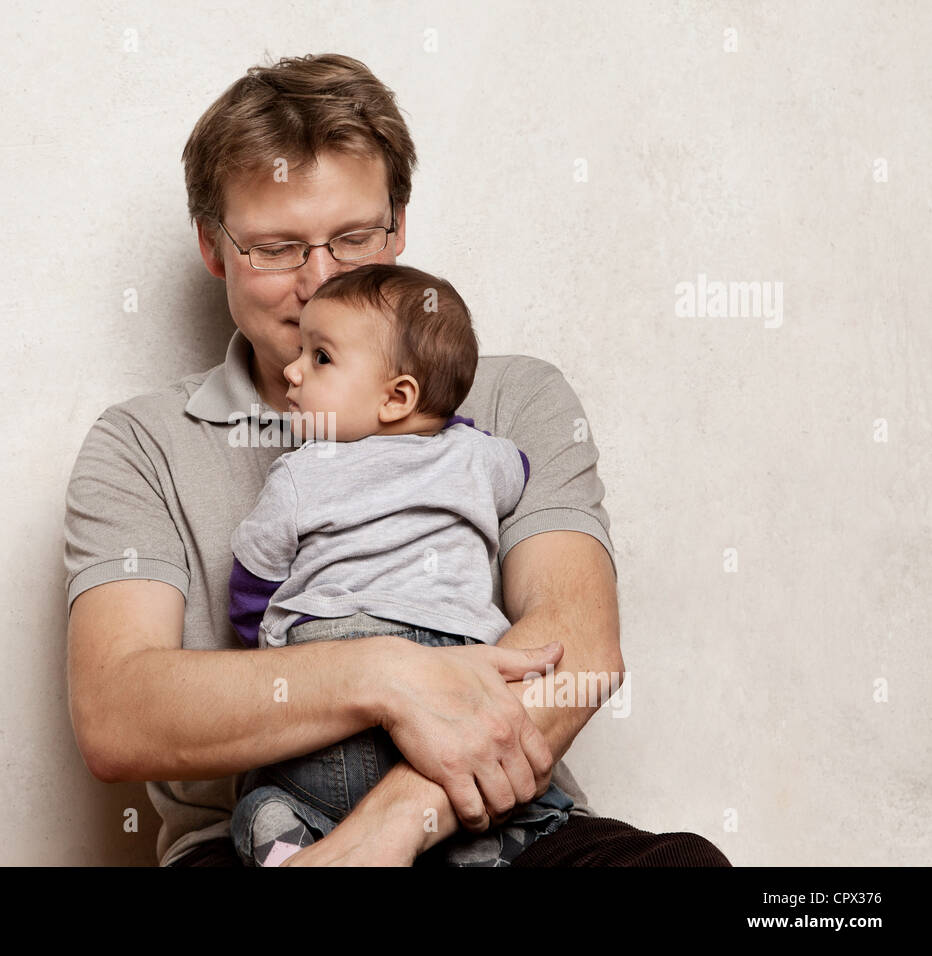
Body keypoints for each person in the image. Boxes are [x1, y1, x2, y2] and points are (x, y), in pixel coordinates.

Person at [63, 52, 731, 867]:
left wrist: (382, 835)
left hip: (496, 823)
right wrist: (384, 675)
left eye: (352, 237)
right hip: (258, 841)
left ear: (399, 224)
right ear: (213, 245)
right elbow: (119, 714)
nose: (319, 280)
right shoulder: (141, 444)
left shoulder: (516, 399)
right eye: (277, 248)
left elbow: (580, 652)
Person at [226, 262, 577, 867]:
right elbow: (519, 469)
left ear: (397, 397)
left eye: (320, 358)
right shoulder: (475, 456)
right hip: (457, 676)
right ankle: (479, 850)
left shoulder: (300, 472)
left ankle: (289, 839)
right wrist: (445, 429)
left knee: (264, 801)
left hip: (334, 694)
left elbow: (251, 584)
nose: (293, 368)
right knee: (523, 803)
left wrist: (275, 647)